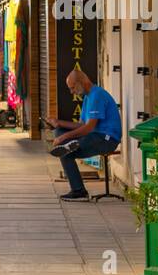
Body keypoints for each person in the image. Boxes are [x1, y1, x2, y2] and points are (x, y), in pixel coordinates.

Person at [45, 69, 122, 201]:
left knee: (65, 150)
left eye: (72, 87)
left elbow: (88, 128)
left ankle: (79, 191)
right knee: (59, 131)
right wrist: (58, 123)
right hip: (94, 136)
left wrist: (64, 137)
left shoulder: (97, 95)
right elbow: (81, 125)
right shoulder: (87, 97)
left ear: (81, 82)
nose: (72, 92)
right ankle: (70, 145)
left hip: (107, 139)